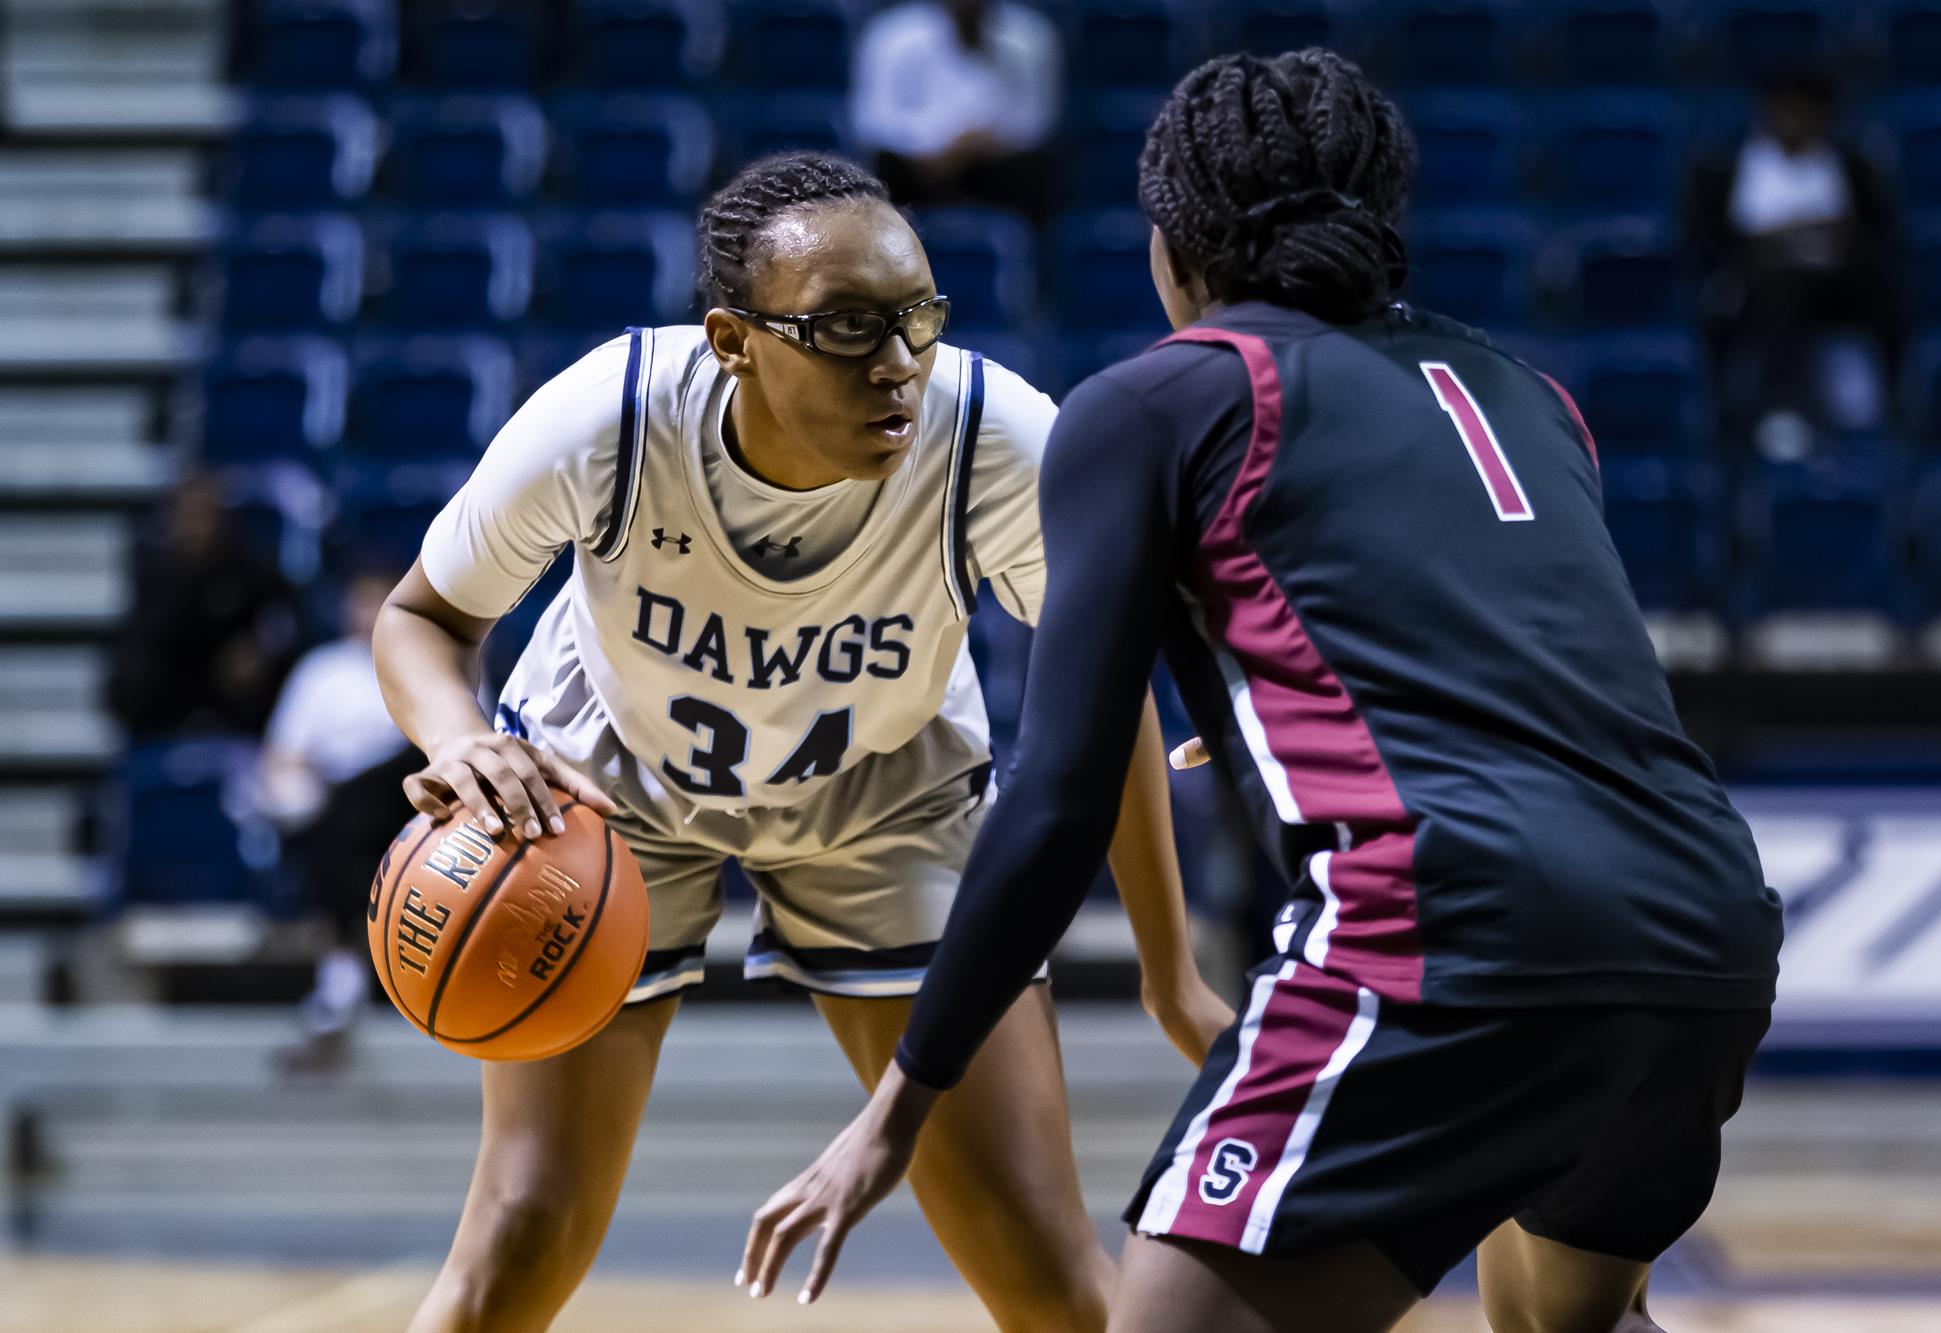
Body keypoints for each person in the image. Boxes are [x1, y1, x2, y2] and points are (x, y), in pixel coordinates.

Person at [743, 51, 1785, 1333]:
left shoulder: (1157, 399)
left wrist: (898, 1104)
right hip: (1702, 933)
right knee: (1563, 1321)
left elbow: (1056, 798)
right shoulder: (1525, 396)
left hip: (1453, 924)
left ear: (1172, 243)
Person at [374, 151, 1228, 1332]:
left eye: (917, 317)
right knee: (518, 1238)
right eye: (846, 328)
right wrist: (461, 734)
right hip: (608, 784)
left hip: (884, 797)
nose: (897, 364)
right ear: (732, 340)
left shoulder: (993, 438)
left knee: (1045, 1265)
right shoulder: (608, 418)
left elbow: (1103, 692)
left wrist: (1167, 969)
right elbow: (419, 617)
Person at [1688, 70, 1904, 458]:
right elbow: (1712, 239)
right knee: (1779, 292)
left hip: (1835, 281)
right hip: (1761, 284)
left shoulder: (1849, 164)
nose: (1795, 120)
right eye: (1787, 111)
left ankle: (1893, 401)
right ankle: (1782, 409)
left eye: (1805, 112)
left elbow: (1877, 231)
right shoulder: (1730, 166)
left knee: (1882, 287)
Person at [257, 567, 421, 1074]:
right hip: (340, 807)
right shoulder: (322, 671)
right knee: (343, 819)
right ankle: (345, 976)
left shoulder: (431, 662)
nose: (369, 613)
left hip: (419, 802)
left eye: (381, 601)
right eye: (362, 601)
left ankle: (344, 980)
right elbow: (282, 755)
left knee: (390, 778)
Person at [107, 471, 299, 739]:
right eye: (189, 515)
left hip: (231, 693)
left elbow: (287, 615)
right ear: (173, 520)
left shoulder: (248, 567)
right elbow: (146, 636)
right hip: (172, 687)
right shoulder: (156, 572)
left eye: (206, 515)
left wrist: (261, 648)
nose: (198, 525)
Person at [851, 0, 1063, 223]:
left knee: (1035, 169)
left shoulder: (1032, 36)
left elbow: (1037, 120)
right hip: (917, 166)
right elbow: (874, 121)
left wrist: (981, 143)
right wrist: (937, 146)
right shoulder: (892, 35)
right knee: (886, 167)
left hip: (996, 163)